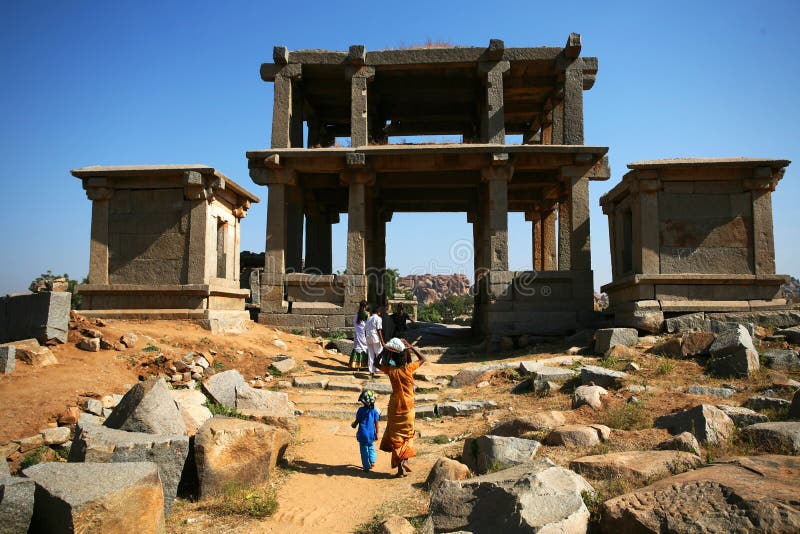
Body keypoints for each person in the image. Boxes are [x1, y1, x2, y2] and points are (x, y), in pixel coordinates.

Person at [378, 339, 427, 477]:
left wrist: (384, 351)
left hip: (394, 408)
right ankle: (405, 460)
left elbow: (376, 363)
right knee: (408, 434)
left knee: (396, 438)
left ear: (392, 357)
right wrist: (411, 346)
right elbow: (423, 358)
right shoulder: (408, 369)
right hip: (408, 408)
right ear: (404, 357)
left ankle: (400, 470)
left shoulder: (391, 371)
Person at [351, 389, 380, 472]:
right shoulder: (374, 411)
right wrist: (377, 433)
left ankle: (366, 467)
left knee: (364, 450)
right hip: (371, 434)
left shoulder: (360, 410)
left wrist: (354, 425)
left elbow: (357, 421)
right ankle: (373, 461)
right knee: (371, 447)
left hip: (363, 434)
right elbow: (377, 423)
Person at [365, 305, 385, 377]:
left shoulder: (369, 318)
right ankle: (378, 369)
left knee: (370, 354)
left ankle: (371, 370)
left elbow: (366, 328)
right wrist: (382, 341)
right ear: (378, 312)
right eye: (380, 312)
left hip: (368, 337)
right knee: (379, 352)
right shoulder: (378, 318)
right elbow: (379, 330)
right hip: (375, 337)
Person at [349, 300, 369, 369]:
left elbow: (355, 323)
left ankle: (354, 364)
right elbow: (368, 324)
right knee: (364, 348)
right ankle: (362, 364)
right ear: (366, 306)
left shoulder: (356, 314)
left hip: (357, 334)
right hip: (363, 334)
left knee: (357, 348)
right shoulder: (367, 314)